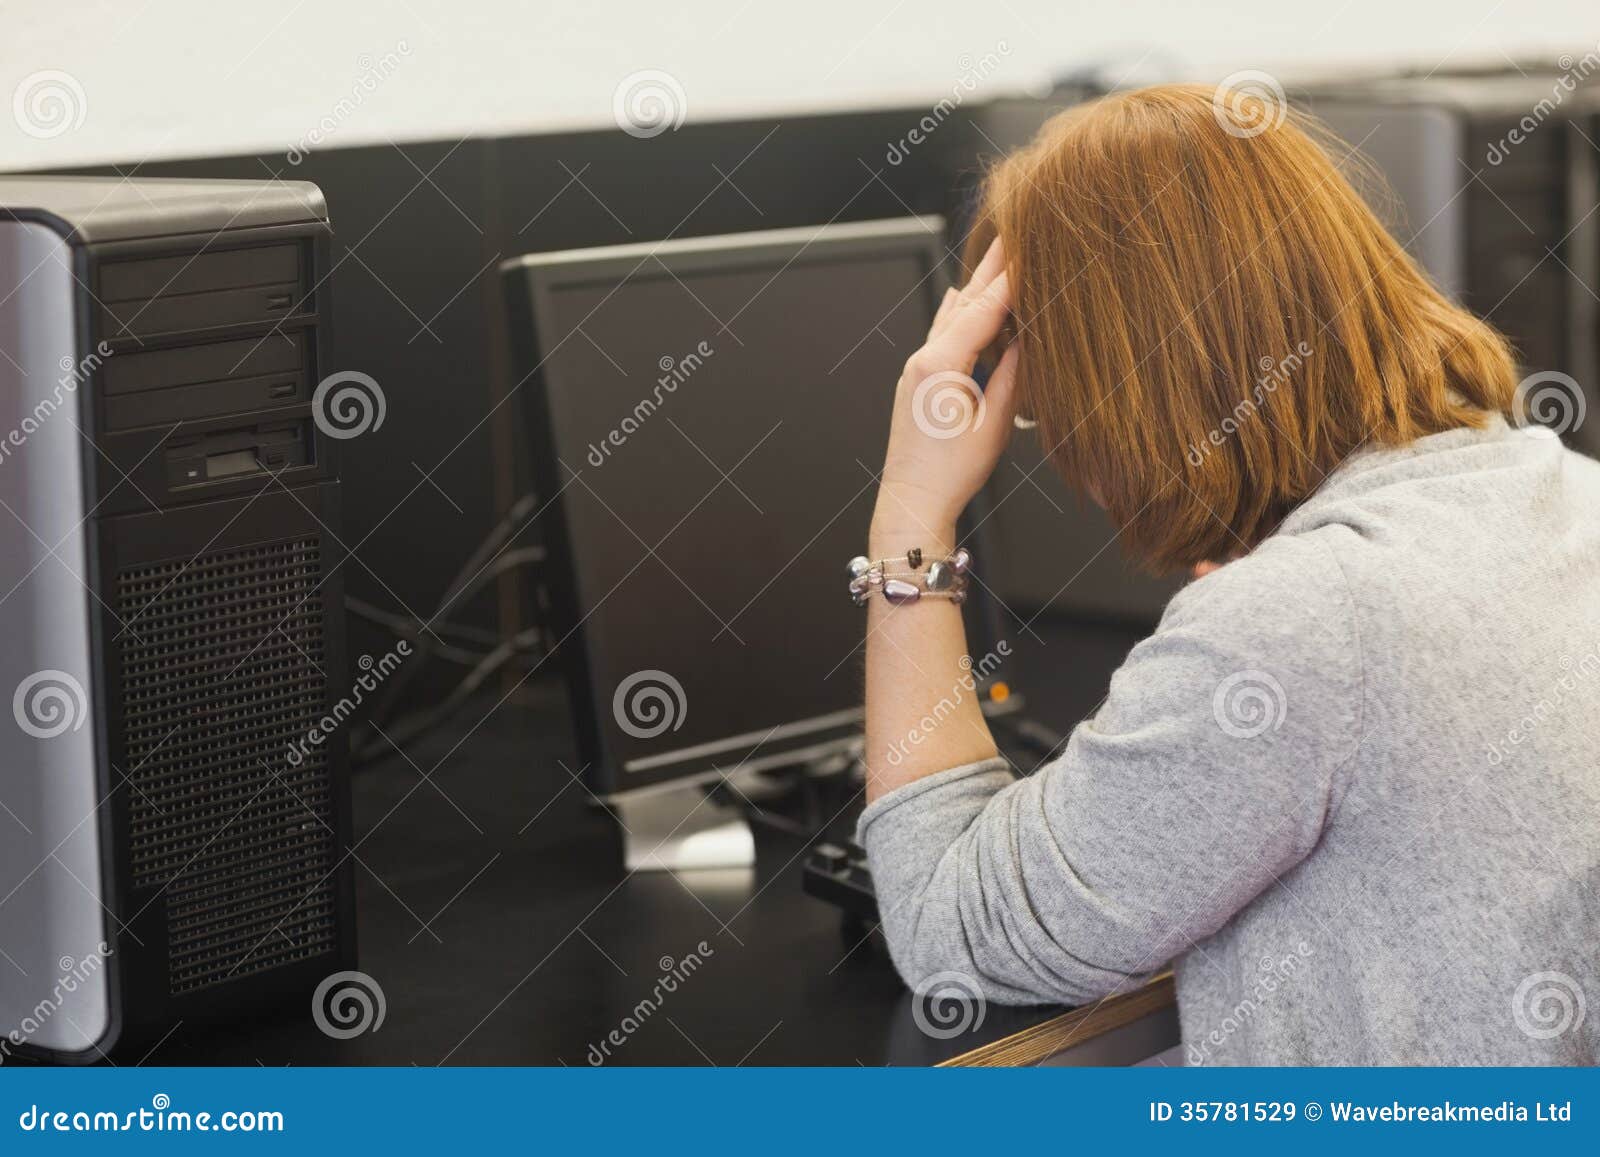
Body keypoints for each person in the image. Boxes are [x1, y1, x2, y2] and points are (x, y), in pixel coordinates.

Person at [859, 83, 1600, 1065]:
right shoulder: (1560, 489)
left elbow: (948, 923)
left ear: (1123, 392)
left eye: (1049, 407)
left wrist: (910, 513)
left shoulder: (1300, 621)